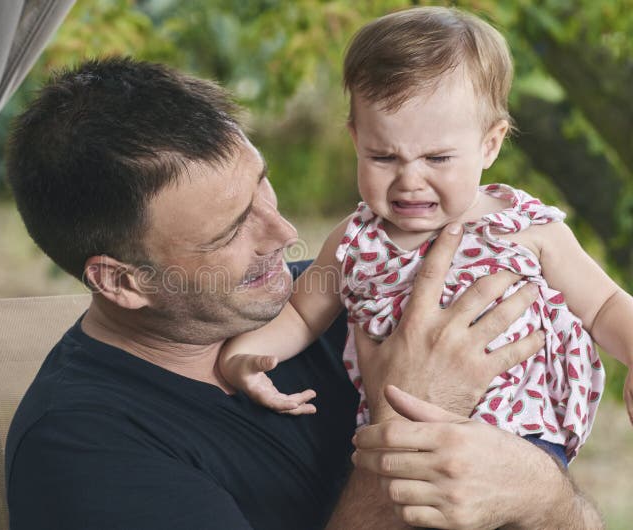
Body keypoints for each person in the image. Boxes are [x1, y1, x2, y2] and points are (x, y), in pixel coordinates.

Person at [4, 56, 603, 528]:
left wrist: (542, 493)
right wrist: (409, 417)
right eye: (231, 230)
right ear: (122, 281)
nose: (285, 232)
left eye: (262, 186)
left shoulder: (351, 297)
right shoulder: (85, 449)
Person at [219, 6, 633, 463]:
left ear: (490, 144)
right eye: (383, 157)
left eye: (437, 159)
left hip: (523, 435)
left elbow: (604, 305)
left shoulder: (526, 228)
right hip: (403, 436)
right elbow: (301, 315)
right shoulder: (355, 242)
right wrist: (244, 356)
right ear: (357, 140)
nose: (410, 181)